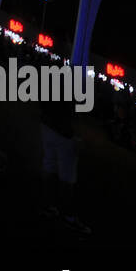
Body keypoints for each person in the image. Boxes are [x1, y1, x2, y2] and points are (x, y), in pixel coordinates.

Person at [40, 98, 90, 235]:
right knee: (67, 177)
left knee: (49, 166)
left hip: (47, 124)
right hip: (64, 131)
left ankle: (49, 206)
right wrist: (78, 135)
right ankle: (68, 217)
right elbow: (77, 107)